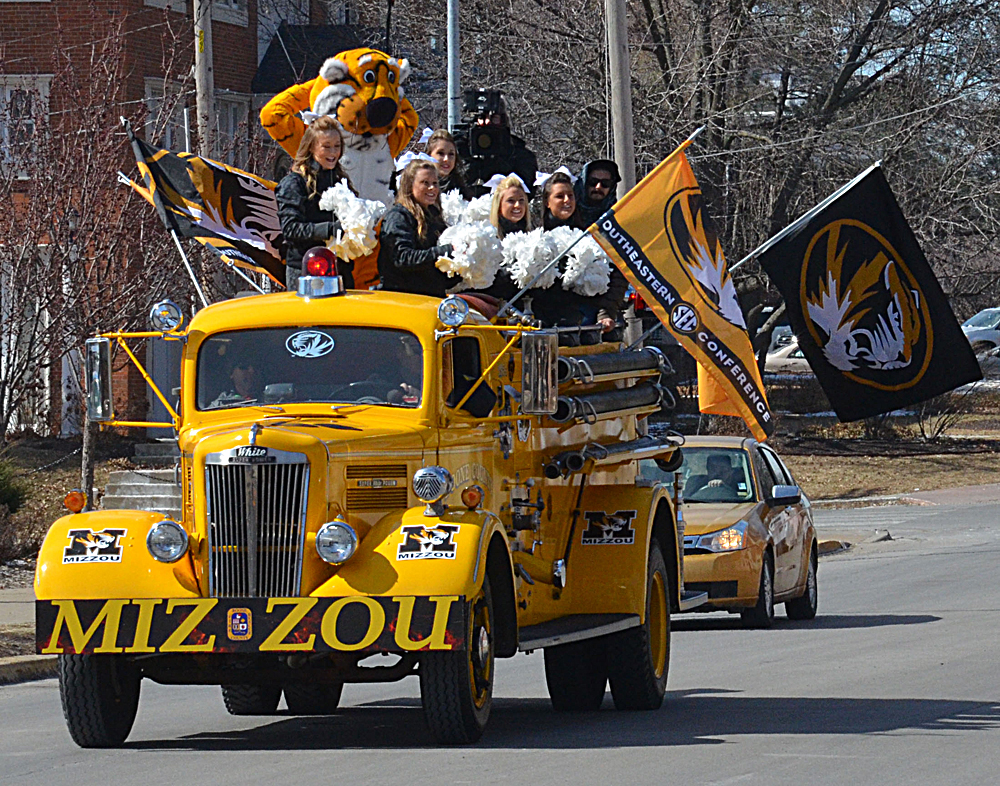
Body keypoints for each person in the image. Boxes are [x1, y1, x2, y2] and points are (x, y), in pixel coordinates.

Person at [276, 116, 355, 291]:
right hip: (305, 272)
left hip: (340, 269)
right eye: (326, 147)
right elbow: (290, 228)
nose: (333, 153)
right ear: (311, 148)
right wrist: (329, 229)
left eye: (337, 146)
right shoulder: (294, 183)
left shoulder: (341, 180)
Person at [378, 160, 454, 297]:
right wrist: (445, 251)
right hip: (403, 300)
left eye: (435, 183)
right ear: (409, 185)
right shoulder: (398, 217)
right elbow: (403, 258)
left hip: (432, 298)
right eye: (425, 183)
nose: (432, 188)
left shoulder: (434, 217)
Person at [426, 129, 474, 199]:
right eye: (440, 153)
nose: (446, 159)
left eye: (451, 154)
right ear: (429, 155)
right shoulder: (419, 191)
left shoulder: (463, 193)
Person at [574, 159, 621, 226]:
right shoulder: (567, 214)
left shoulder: (618, 217)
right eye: (593, 181)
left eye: (605, 183)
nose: (598, 187)